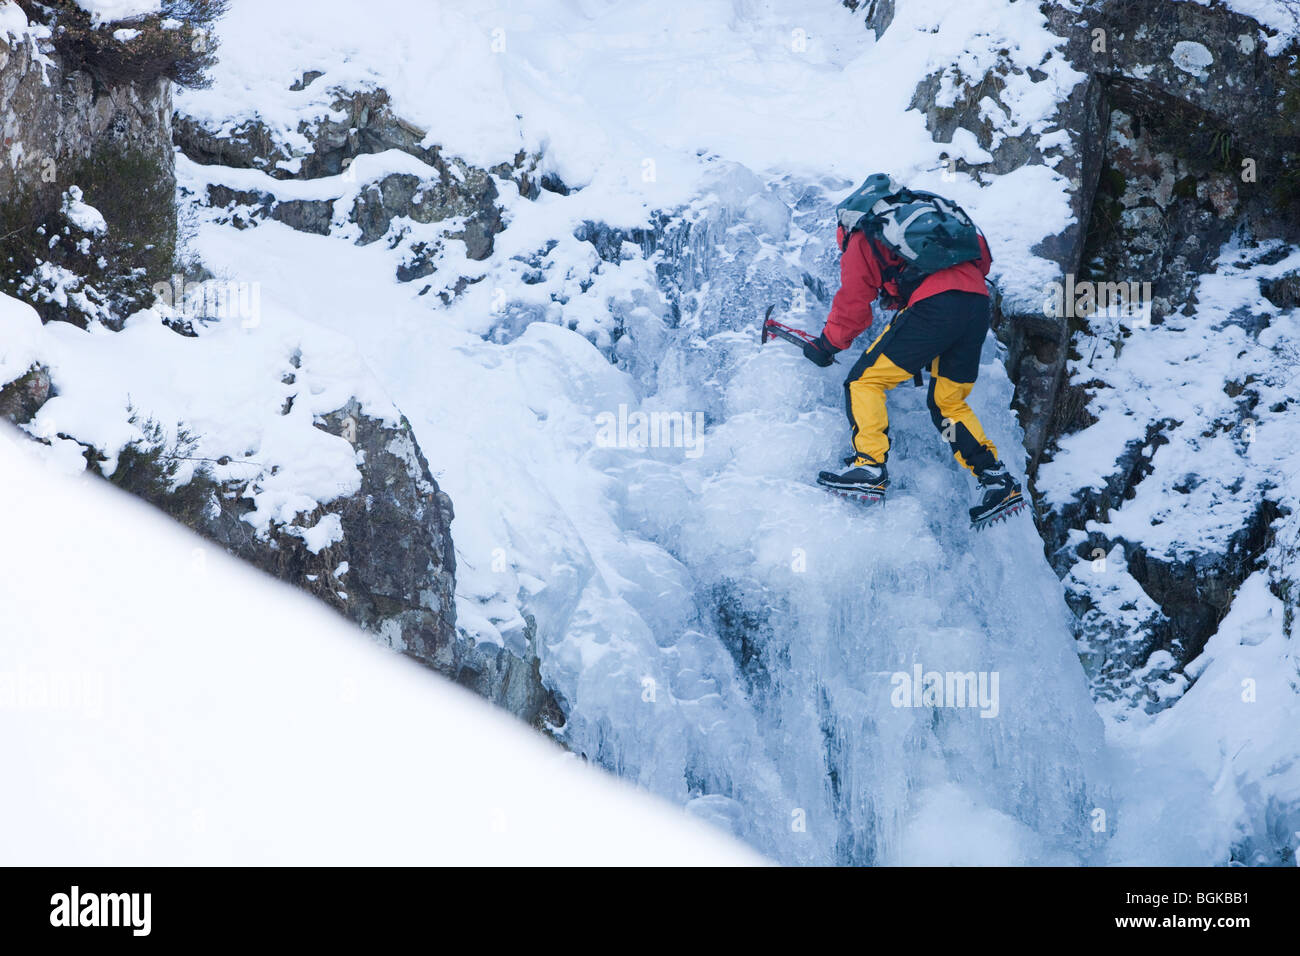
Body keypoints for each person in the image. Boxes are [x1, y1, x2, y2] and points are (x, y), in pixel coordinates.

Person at [800, 195, 1023, 526]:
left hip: (934, 307)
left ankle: (869, 465)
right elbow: (981, 260)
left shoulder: (863, 233)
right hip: (976, 305)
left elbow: (854, 305)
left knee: (864, 381)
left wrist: (827, 345)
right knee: (948, 403)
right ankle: (995, 479)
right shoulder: (934, 218)